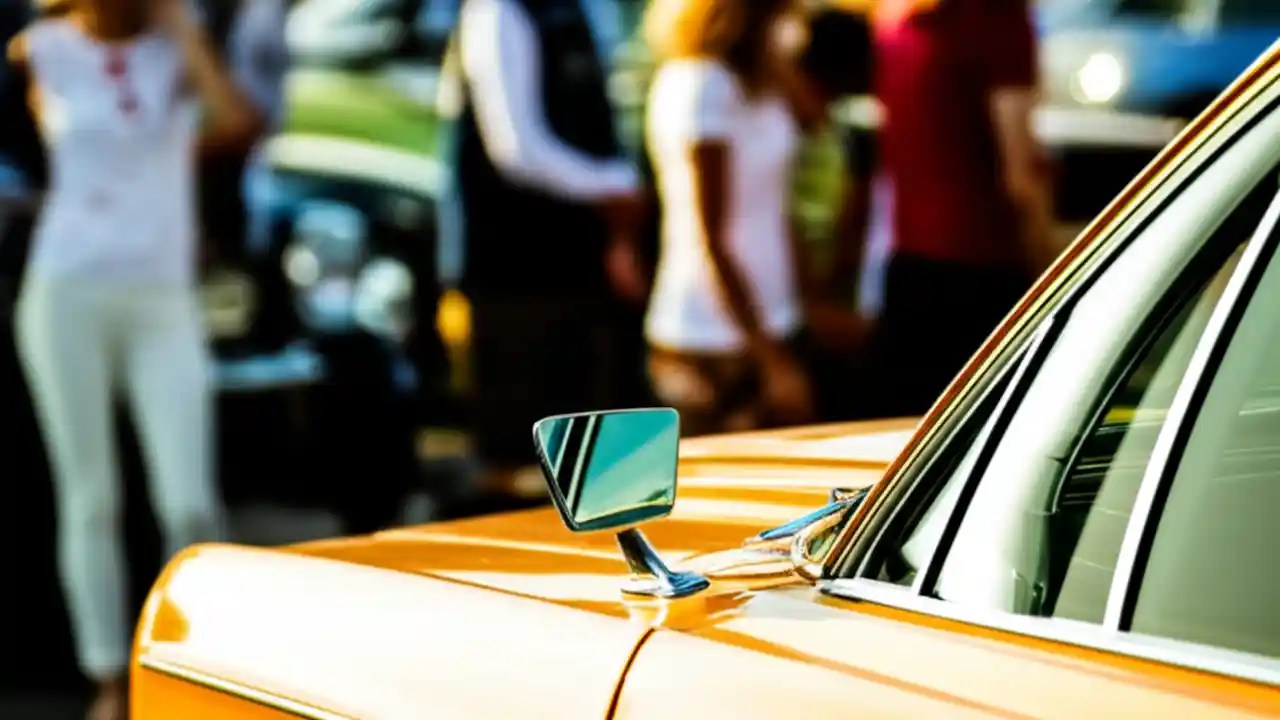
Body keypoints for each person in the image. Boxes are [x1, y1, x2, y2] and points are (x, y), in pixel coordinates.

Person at [6, 0, 260, 715]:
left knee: (189, 499)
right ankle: (109, 678)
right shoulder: (40, 49)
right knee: (92, 497)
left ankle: (202, 665)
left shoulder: (179, 50)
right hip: (69, 289)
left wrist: (184, 30)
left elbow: (234, 122)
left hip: (162, 295)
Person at [440, 0, 647, 499]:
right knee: (518, 456)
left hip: (575, 267)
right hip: (514, 270)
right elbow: (517, 149)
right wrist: (614, 184)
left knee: (590, 452)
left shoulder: (581, 11)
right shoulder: (499, 12)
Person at [865, 0, 1056, 418]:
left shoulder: (896, 19)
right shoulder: (998, 21)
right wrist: (1058, 277)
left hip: (908, 272)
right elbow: (1021, 178)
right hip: (982, 275)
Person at [642, 0, 823, 437]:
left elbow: (814, 119)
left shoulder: (754, 79)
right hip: (708, 338)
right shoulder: (701, 85)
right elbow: (712, 238)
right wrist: (771, 360)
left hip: (768, 323)